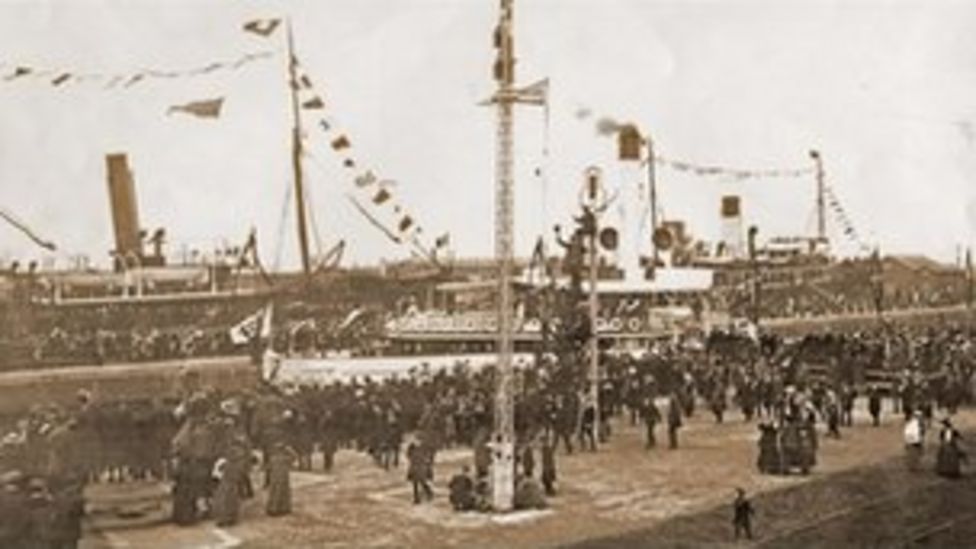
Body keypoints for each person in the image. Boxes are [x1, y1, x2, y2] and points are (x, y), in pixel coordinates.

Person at [266, 442, 296, 517]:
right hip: (282, 478)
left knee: (275, 493)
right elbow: (295, 456)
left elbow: (268, 468)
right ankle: (279, 509)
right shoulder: (285, 458)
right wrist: (289, 449)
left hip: (275, 478)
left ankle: (273, 508)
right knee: (281, 493)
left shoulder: (272, 458)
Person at [406, 440, 433, 504]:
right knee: (421, 483)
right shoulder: (420, 452)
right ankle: (427, 493)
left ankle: (417, 498)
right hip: (420, 469)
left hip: (416, 470)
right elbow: (426, 460)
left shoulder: (413, 454)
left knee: (416, 484)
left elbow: (410, 459)